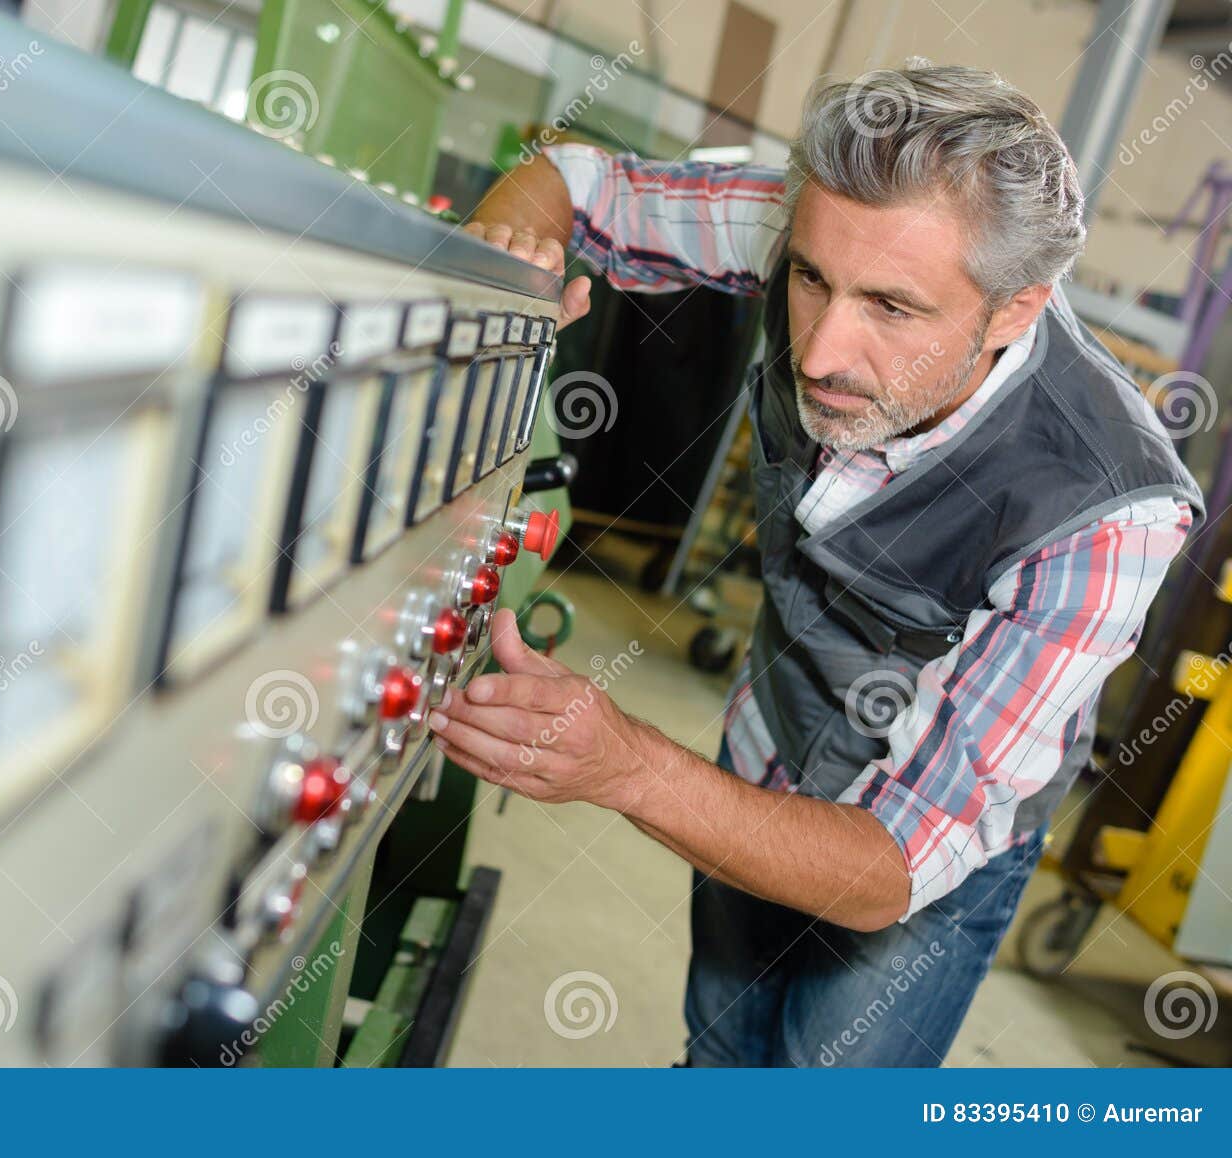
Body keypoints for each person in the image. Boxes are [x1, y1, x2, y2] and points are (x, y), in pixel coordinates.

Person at [436, 62, 1203, 1066]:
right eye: (810, 281)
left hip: (923, 854)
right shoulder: (823, 222)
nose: (820, 354)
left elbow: (893, 863)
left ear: (1015, 309)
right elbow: (574, 181)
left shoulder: (1108, 507)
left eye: (892, 308)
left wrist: (626, 765)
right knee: (721, 1057)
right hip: (771, 740)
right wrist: (499, 278)